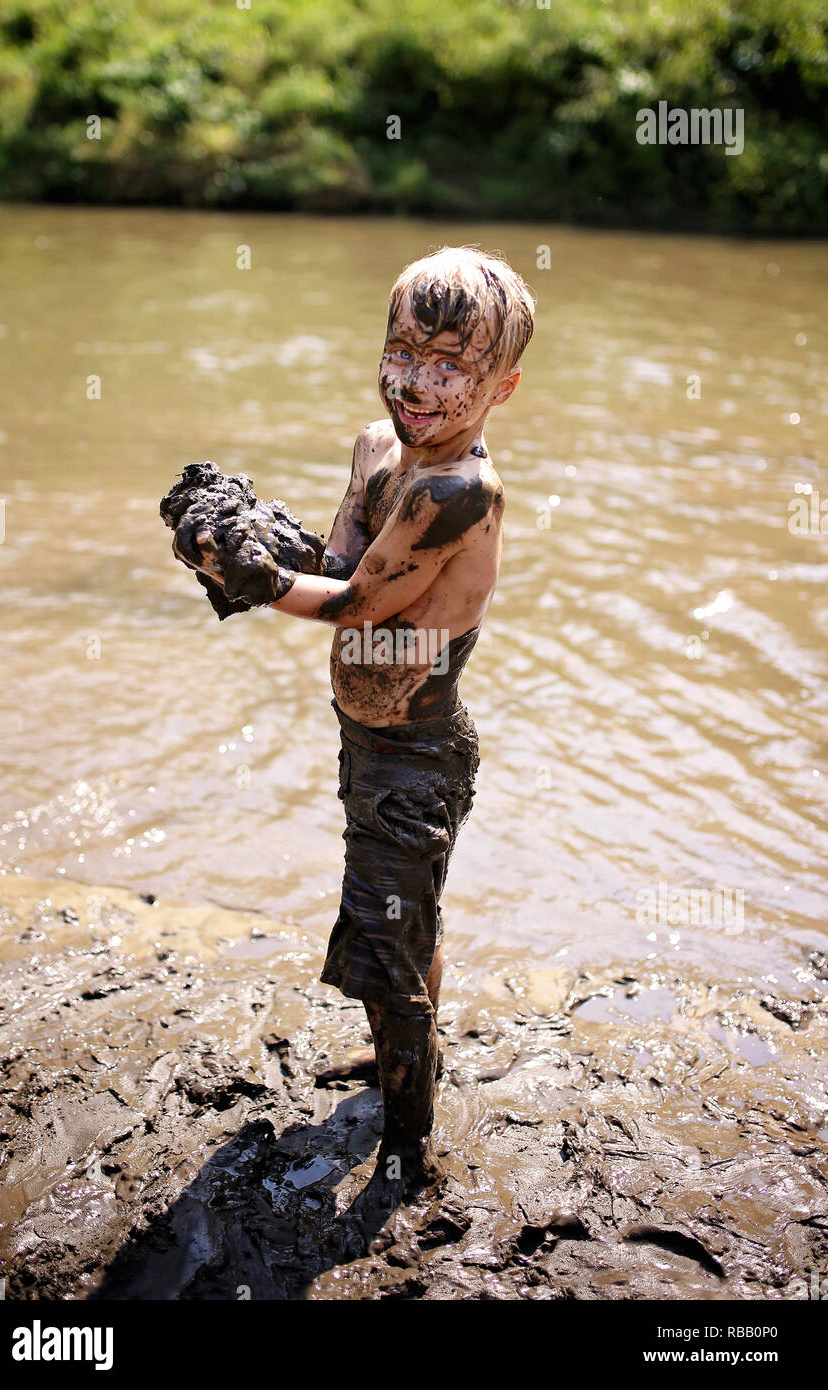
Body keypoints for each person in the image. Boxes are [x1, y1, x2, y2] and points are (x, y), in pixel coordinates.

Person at [179, 245, 535, 1211]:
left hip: (415, 755)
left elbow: (354, 608)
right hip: (365, 737)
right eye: (403, 353)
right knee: (406, 929)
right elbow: (336, 558)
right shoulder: (378, 448)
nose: (418, 385)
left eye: (452, 368)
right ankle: (396, 1062)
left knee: (390, 947)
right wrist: (249, 530)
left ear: (500, 387)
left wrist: (247, 577)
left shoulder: (459, 492)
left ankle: (410, 1151)